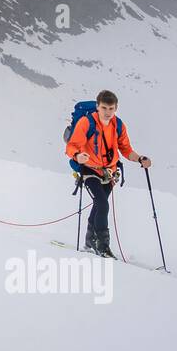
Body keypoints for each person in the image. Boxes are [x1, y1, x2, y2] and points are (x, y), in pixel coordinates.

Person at [64, 89, 152, 258]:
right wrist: (78, 156)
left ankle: (90, 241)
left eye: (111, 109)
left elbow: (126, 149)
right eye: (104, 108)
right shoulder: (86, 122)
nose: (107, 112)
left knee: (99, 204)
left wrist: (140, 158)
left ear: (116, 108)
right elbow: (72, 146)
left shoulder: (118, 125)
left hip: (109, 173)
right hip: (89, 170)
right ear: (98, 107)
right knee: (102, 204)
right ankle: (103, 246)